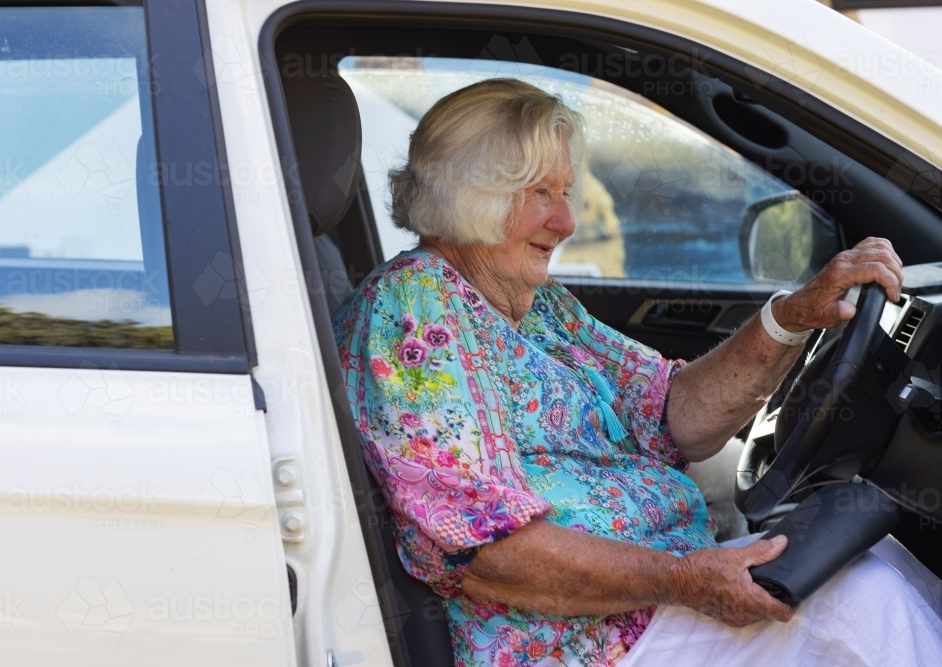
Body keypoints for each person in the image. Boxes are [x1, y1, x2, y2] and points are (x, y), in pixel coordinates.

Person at [332, 79, 942, 666]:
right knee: (867, 604)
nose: (566, 222)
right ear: (470, 196)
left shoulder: (535, 305)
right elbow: (485, 549)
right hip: (570, 640)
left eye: (565, 193)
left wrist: (793, 317)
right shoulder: (414, 311)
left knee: (874, 560)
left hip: (648, 597)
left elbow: (672, 413)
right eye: (540, 194)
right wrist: (684, 580)